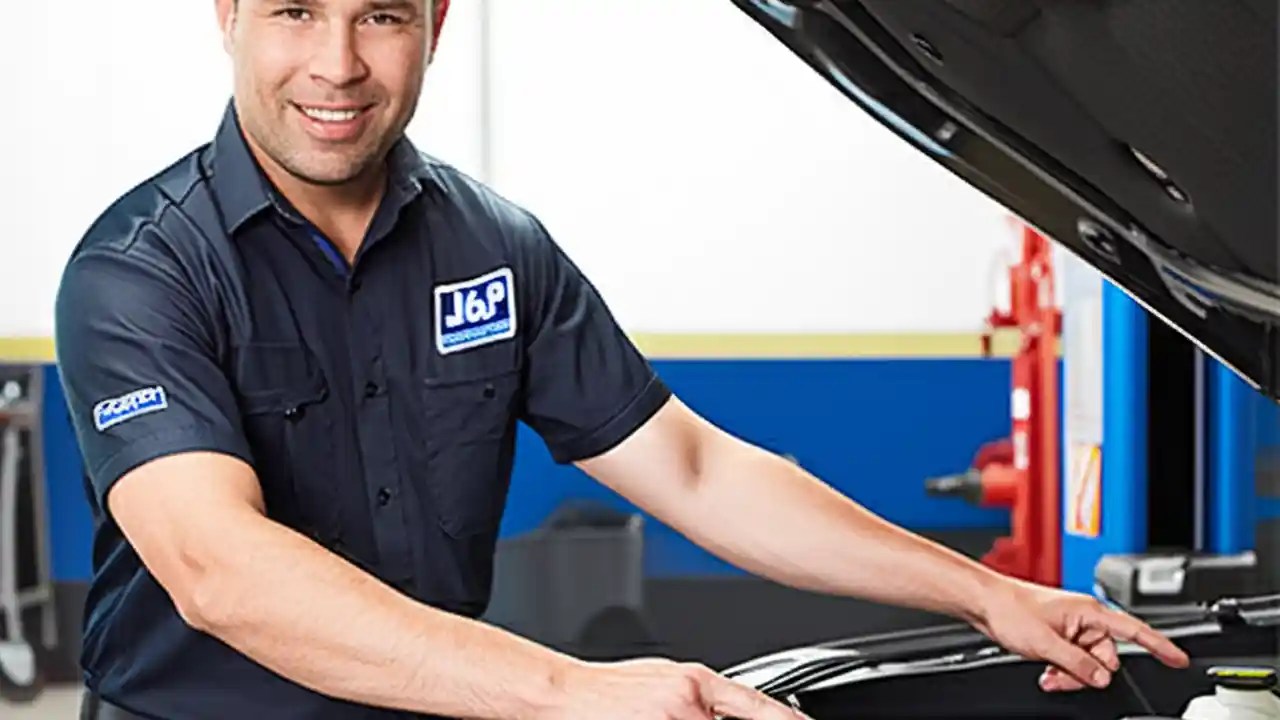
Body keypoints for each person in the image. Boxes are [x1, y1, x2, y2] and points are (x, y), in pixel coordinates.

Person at [54, 0, 1190, 718]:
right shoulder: (140, 271)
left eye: (381, 15)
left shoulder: (492, 247)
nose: (338, 64)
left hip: (447, 710)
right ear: (229, 16)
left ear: (437, 22)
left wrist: (986, 597)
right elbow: (220, 572)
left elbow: (692, 471)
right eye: (296, 13)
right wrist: (572, 690)